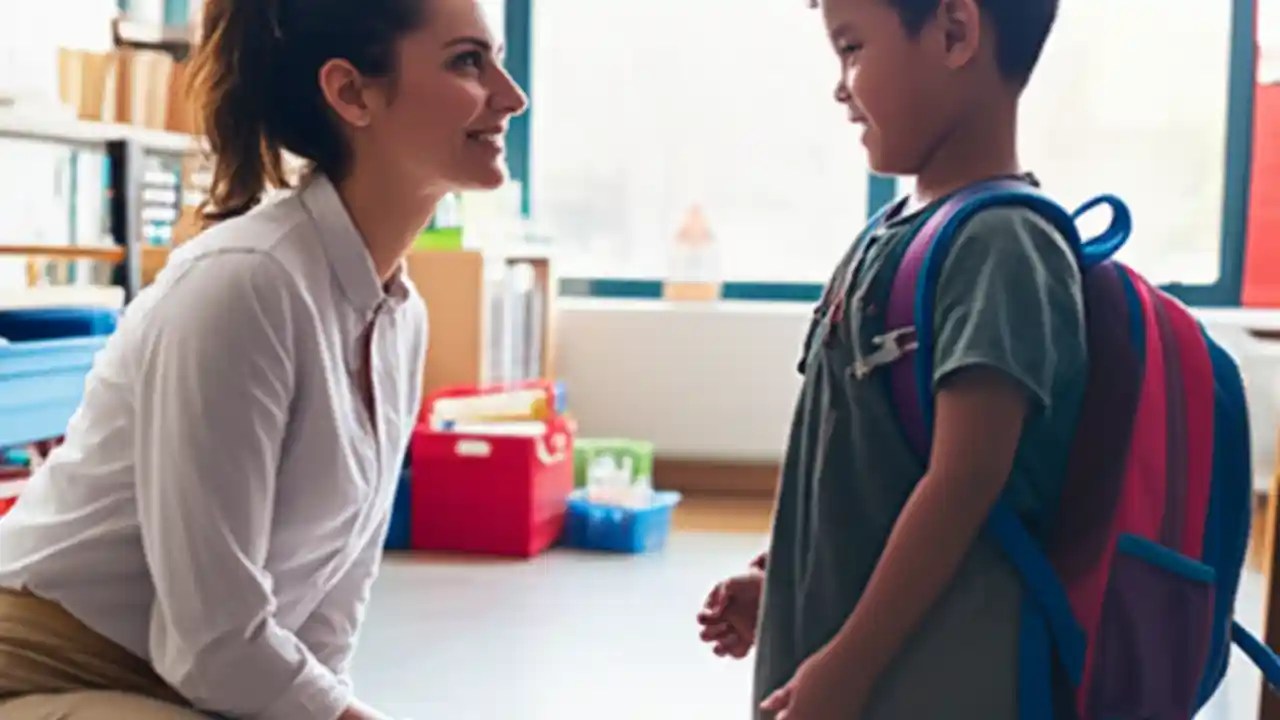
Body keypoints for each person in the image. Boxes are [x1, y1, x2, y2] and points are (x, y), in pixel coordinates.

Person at [0, 0, 527, 717]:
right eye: (468, 61)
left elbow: (329, 607)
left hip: (171, 678)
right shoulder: (246, 285)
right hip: (38, 668)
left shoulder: (398, 315)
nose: (511, 95)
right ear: (350, 92)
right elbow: (214, 643)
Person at [697, 0, 1085, 717]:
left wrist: (848, 665)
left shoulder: (1002, 246)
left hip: (922, 685)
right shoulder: (890, 236)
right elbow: (861, 464)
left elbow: (964, 481)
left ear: (954, 32)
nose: (840, 86)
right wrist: (780, 574)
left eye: (852, 48)